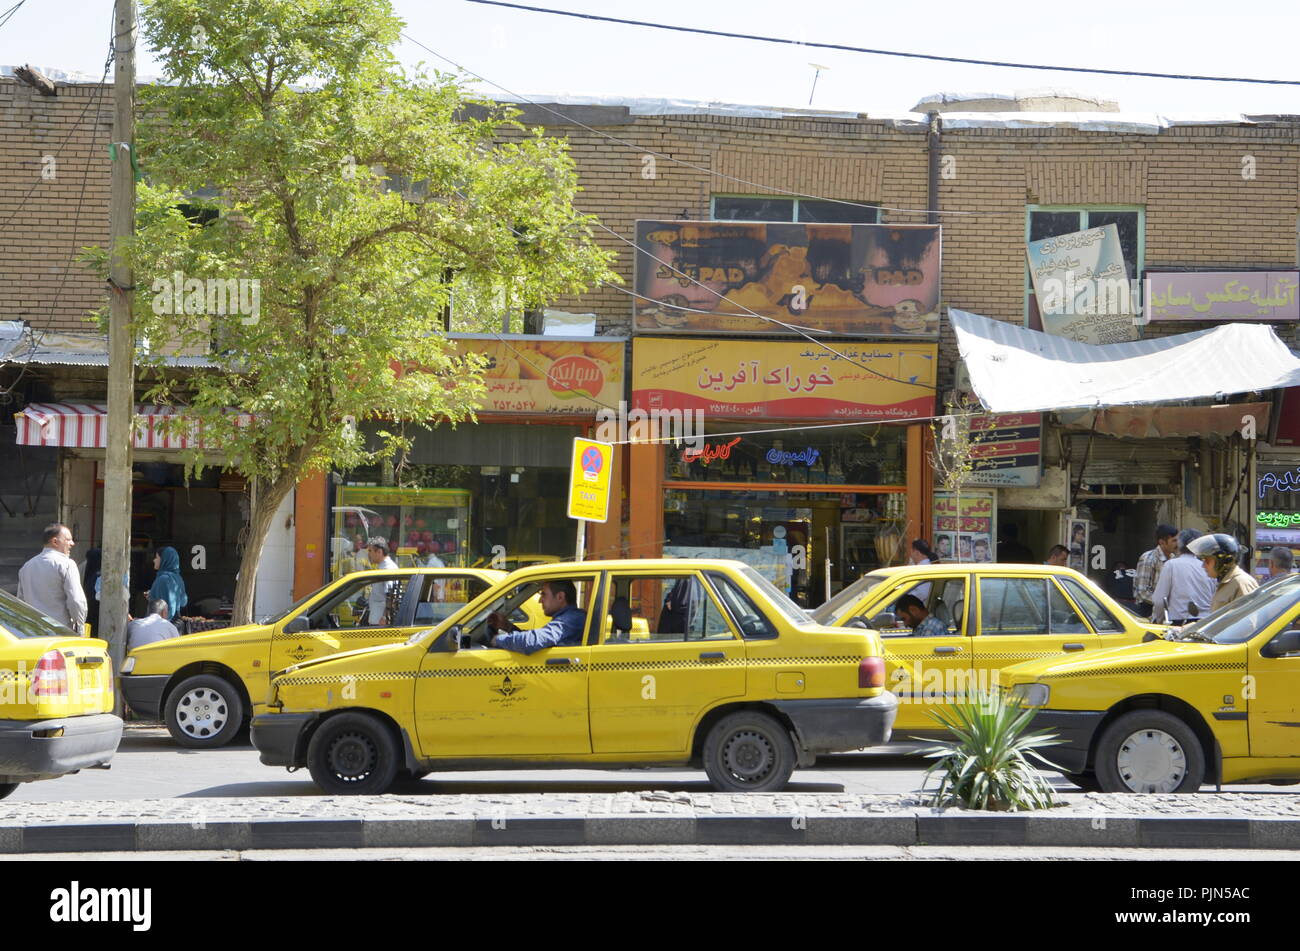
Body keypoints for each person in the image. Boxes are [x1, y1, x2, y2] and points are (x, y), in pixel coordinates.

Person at [17, 523, 88, 633]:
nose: (72, 543)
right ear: (55, 541)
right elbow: (76, 601)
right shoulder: (67, 564)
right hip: (59, 632)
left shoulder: (26, 567)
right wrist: (80, 627)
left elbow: (20, 602)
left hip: (33, 631)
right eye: (68, 540)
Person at [488, 579, 586, 655]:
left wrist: (498, 640)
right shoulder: (572, 618)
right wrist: (507, 627)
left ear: (560, 597)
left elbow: (533, 641)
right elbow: (537, 637)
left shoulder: (572, 619)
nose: (540, 600)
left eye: (544, 594)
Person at [1149, 529, 1216, 625]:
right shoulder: (1207, 566)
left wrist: (1157, 620)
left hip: (1180, 622)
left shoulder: (1171, 565)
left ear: (1179, 545)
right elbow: (1214, 596)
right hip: (1206, 622)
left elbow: (1160, 600)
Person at [1190, 533, 1258, 613]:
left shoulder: (1241, 582)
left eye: (1207, 561)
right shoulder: (1226, 582)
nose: (1203, 566)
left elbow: (1248, 621)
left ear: (1224, 561)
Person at [1133, 524, 1178, 618]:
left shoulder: (1174, 558)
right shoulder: (1148, 558)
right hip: (1148, 610)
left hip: (1167, 610)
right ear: (1162, 542)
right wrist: (1163, 603)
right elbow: (1142, 592)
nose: (1177, 544)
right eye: (1173, 541)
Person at [363, 537, 399, 625]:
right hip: (377, 621)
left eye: (370, 551)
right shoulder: (382, 567)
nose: (369, 554)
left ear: (379, 552)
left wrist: (385, 617)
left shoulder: (388, 569)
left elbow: (392, 595)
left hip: (381, 624)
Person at [148, 546, 189, 622]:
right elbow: (183, 602)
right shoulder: (177, 578)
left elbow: (169, 610)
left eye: (156, 557)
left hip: (162, 624)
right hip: (175, 623)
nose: (154, 560)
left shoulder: (163, 579)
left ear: (164, 560)